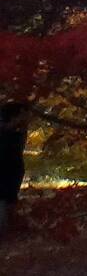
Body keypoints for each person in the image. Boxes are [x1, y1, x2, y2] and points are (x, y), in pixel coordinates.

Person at [0, 101, 28, 235]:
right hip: (7, 165)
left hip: (14, 165)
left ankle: (8, 228)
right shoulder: (6, 130)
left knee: (9, 197)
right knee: (4, 196)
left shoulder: (16, 132)